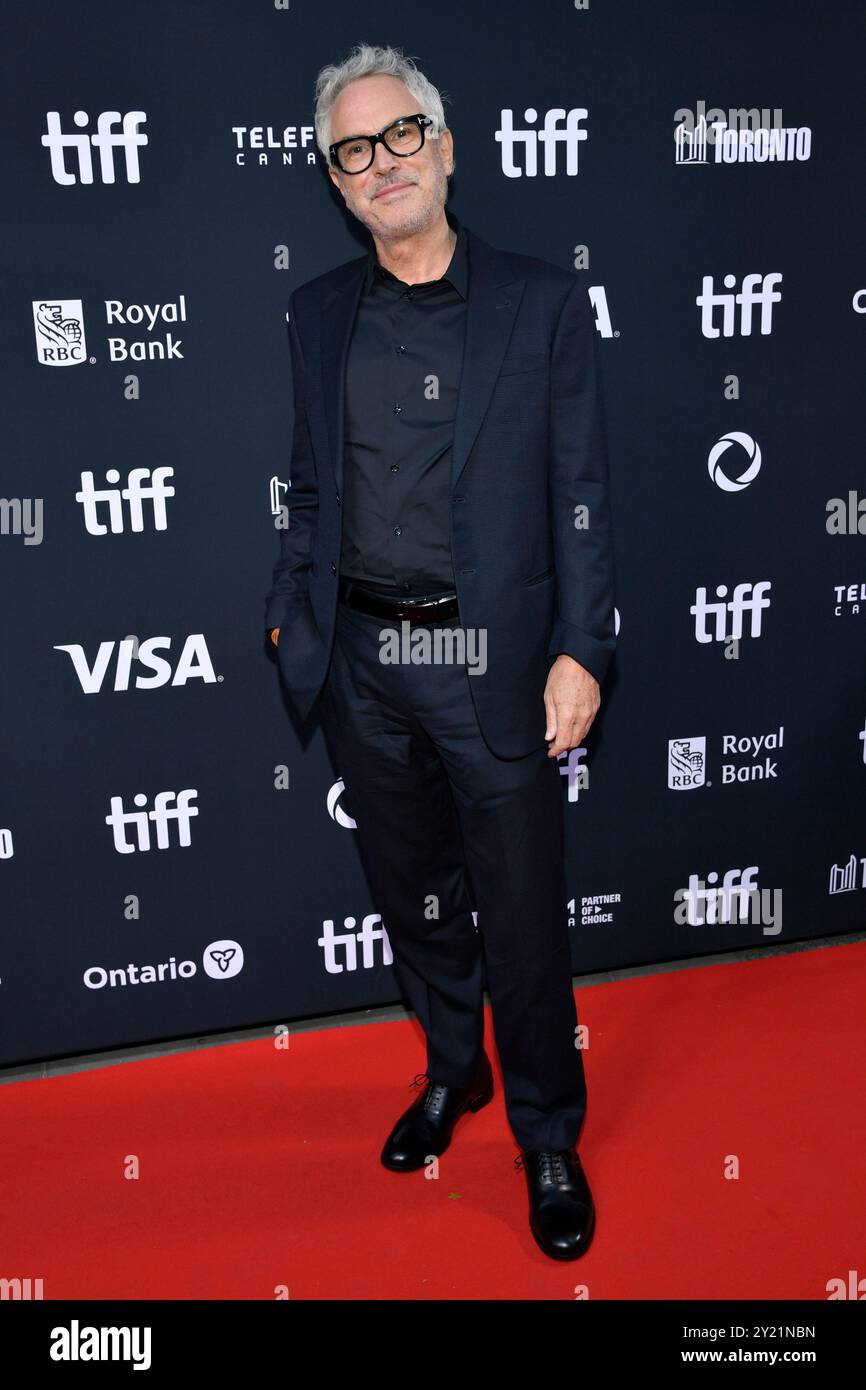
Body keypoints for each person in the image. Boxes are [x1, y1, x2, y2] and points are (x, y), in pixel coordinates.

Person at [264, 42, 617, 1261]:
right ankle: (450, 1072)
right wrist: (289, 611)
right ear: (335, 178)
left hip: (492, 658)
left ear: (445, 144)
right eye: (354, 149)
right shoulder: (316, 314)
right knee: (415, 901)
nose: (382, 161)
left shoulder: (538, 302)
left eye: (400, 133)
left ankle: (546, 1132)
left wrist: (580, 648)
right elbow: (308, 491)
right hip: (359, 660)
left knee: (520, 913)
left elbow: (580, 491)